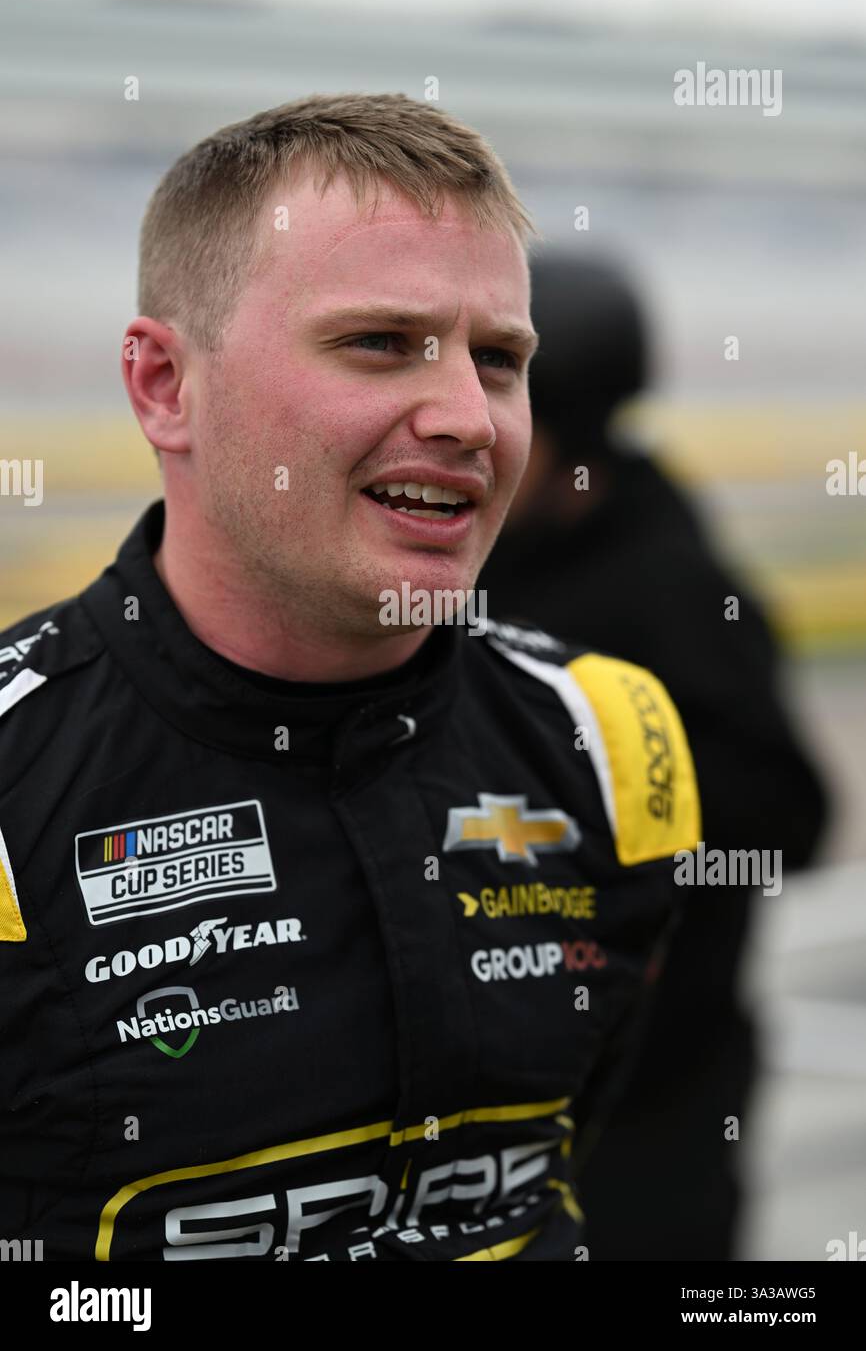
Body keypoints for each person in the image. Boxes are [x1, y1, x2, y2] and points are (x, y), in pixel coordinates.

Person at [0, 95, 700, 1263]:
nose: (469, 418)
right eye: (380, 342)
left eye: (500, 360)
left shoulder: (609, 735)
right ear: (166, 385)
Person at [480, 252, 830, 1260]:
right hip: (497, 1088)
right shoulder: (488, 550)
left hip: (651, 1098)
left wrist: (596, 793)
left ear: (578, 431)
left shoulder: (670, 588)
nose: (479, 438)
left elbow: (787, 817)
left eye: (514, 410)